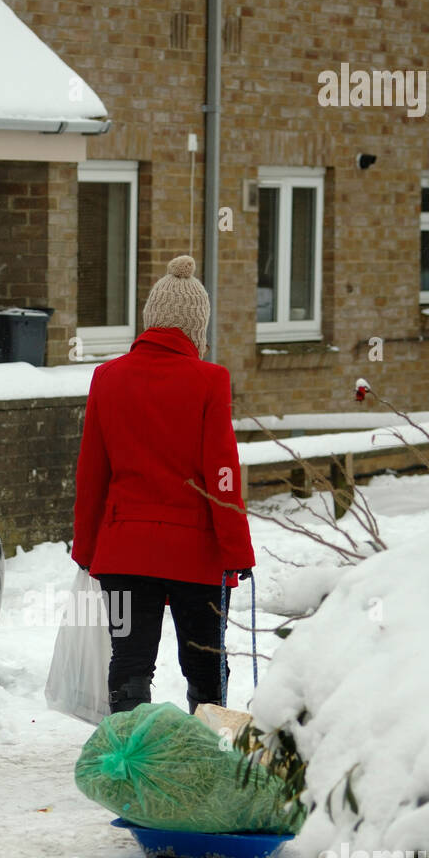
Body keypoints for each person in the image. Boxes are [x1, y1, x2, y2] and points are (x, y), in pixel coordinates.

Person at [71, 254, 255, 715]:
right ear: (197, 328)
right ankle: (208, 747)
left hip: (124, 550)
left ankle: (130, 750)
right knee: (205, 665)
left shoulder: (107, 377)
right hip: (196, 553)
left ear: (150, 319)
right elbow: (223, 475)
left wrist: (87, 548)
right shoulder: (210, 380)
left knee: (129, 663)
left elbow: (91, 473)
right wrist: (236, 551)